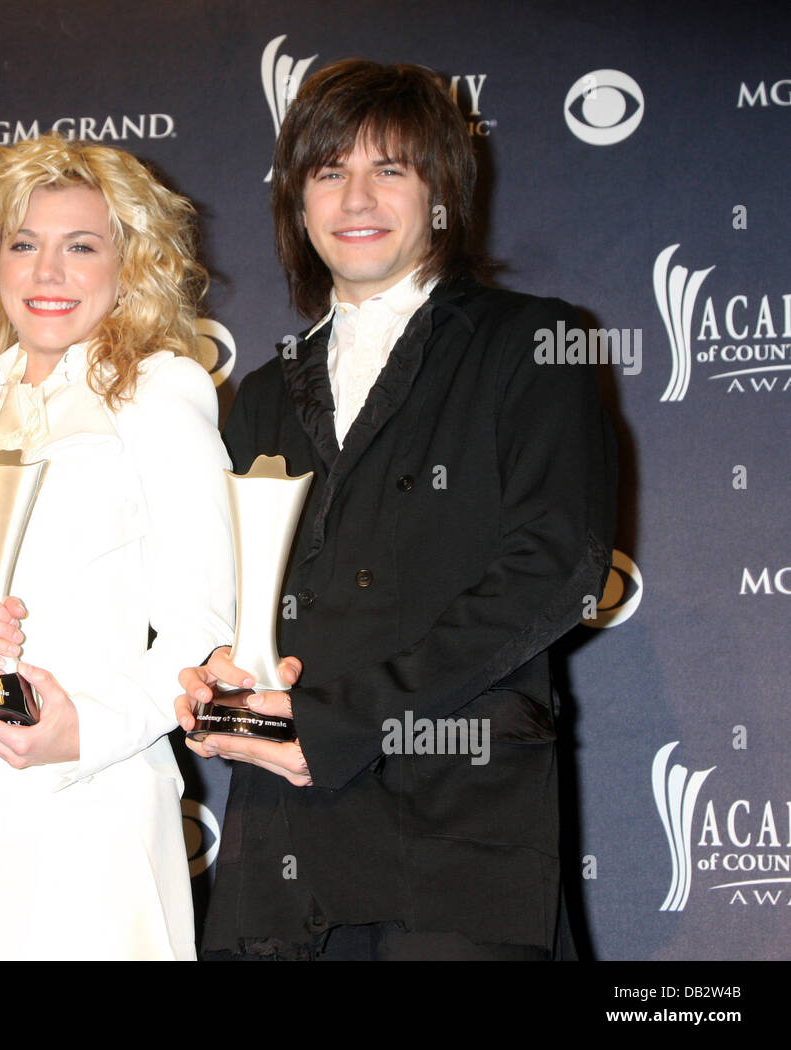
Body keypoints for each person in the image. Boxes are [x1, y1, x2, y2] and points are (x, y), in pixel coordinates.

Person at [176, 60, 617, 960]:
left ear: (442, 187)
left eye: (391, 169)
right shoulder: (258, 393)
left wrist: (345, 723)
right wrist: (211, 672)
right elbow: (234, 590)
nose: (356, 198)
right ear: (298, 202)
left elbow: (552, 572)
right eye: (329, 171)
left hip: (457, 826)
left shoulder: (536, 340)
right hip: (285, 845)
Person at [0, 135, 234, 960]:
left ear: (129, 264)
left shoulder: (160, 396)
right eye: (23, 244)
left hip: (86, 806)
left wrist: (81, 735)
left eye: (81, 246)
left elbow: (201, 624)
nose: (47, 273)